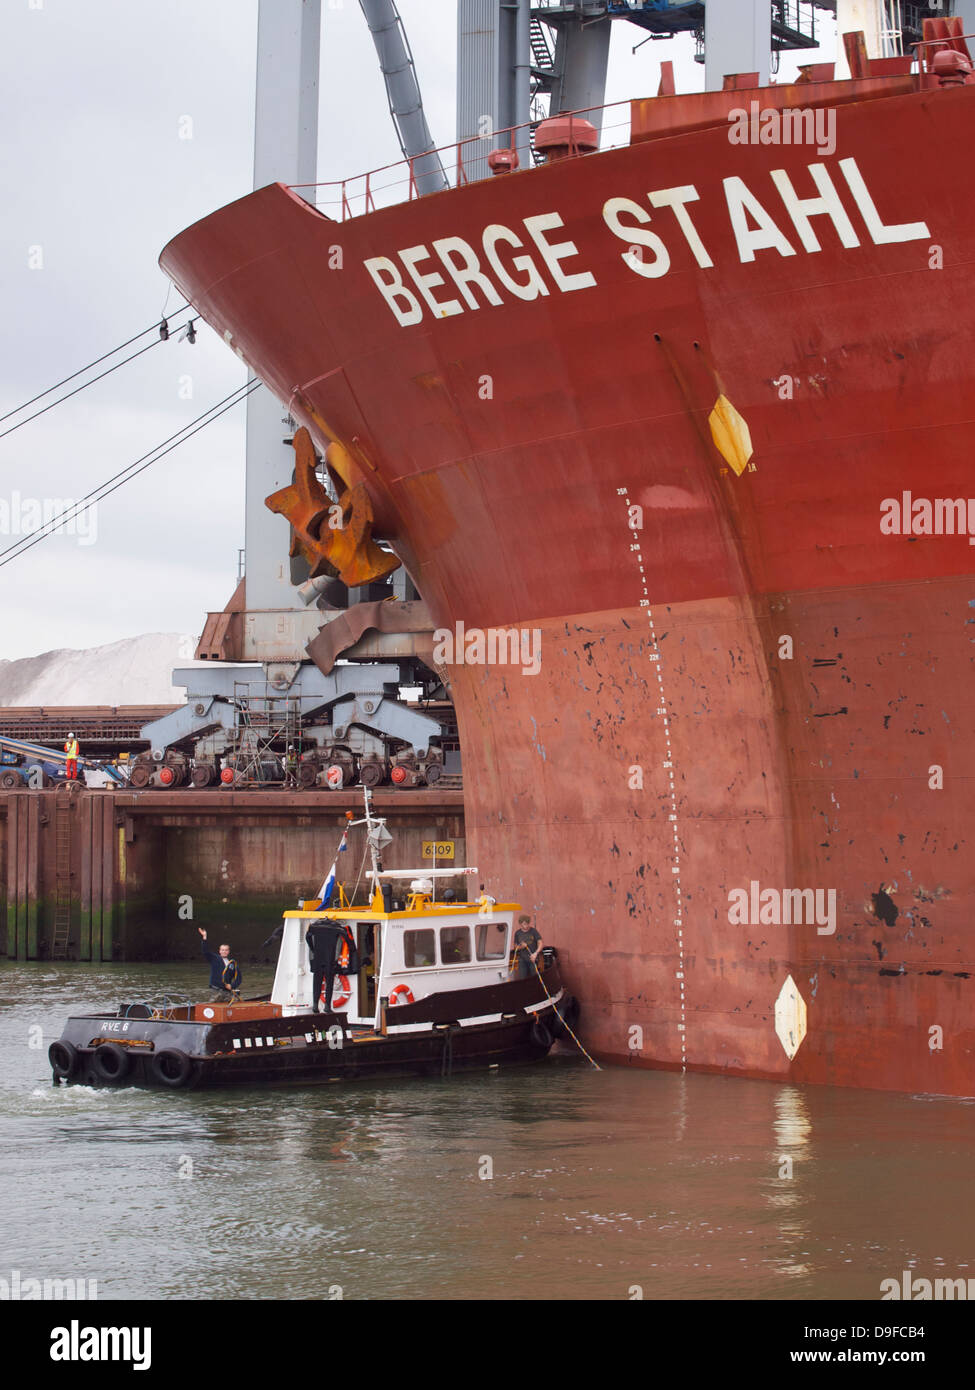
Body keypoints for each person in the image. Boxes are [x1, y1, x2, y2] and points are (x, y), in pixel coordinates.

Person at [305, 921, 359, 1013]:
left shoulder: (314, 927)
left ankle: (315, 1005)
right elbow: (347, 937)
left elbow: (308, 937)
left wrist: (312, 948)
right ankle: (327, 1006)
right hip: (329, 958)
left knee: (317, 981)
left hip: (318, 956)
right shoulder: (337, 929)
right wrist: (352, 948)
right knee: (329, 983)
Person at [198, 927, 242, 1002]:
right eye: (222, 950)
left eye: (226, 950)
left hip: (227, 992)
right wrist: (204, 937)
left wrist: (232, 986)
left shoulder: (232, 963)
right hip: (215, 991)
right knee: (213, 1009)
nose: (224, 951)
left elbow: (239, 978)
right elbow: (205, 951)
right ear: (219, 951)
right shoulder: (214, 958)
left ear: (228, 951)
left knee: (230, 1007)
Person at [513, 914, 544, 980]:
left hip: (533, 958)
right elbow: (515, 947)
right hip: (522, 960)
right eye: (524, 924)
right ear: (520, 924)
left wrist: (535, 954)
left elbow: (540, 943)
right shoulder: (517, 933)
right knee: (522, 979)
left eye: (527, 923)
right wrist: (522, 947)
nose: (526, 926)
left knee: (534, 978)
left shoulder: (534, 931)